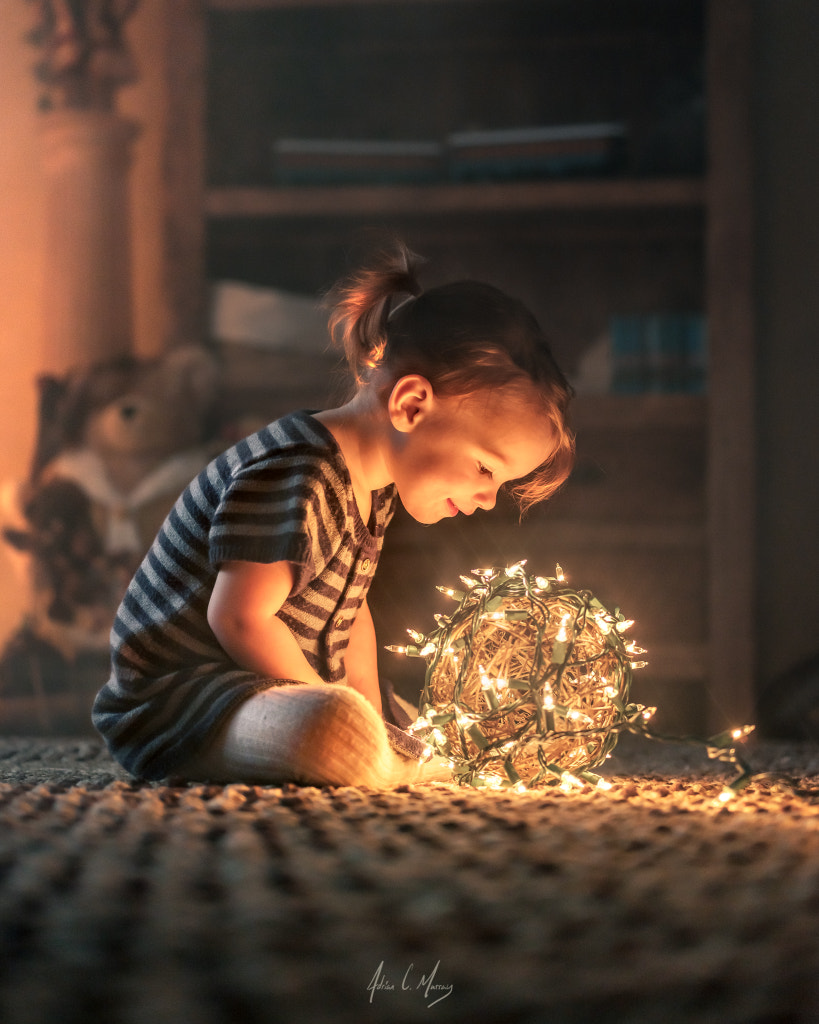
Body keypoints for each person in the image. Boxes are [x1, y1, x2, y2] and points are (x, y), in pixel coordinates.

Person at [92, 242, 575, 787]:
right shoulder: (297, 471)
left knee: (417, 726)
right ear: (411, 405)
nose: (488, 500)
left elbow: (351, 613)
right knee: (335, 729)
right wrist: (341, 705)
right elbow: (239, 619)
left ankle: (378, 748)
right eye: (487, 470)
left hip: (255, 687)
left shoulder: (372, 488)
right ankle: (367, 751)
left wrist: (368, 700)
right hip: (184, 702)